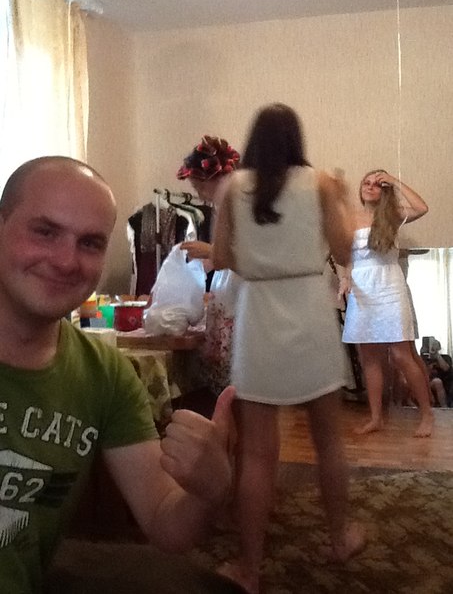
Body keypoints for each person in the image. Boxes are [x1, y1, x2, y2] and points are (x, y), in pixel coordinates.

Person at [0, 156, 244, 594]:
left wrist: (208, 491)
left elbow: (165, 522)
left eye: (90, 243)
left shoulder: (105, 375)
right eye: (45, 232)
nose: (66, 261)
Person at [211, 103, 365, 594]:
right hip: (310, 310)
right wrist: (342, 199)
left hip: (258, 315)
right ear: (296, 140)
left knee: (257, 454)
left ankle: (250, 569)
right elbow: (344, 251)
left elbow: (220, 257)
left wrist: (261, 263)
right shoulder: (319, 183)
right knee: (329, 442)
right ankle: (339, 539)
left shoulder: (232, 187)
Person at [340, 169, 433, 436]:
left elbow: (422, 208)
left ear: (384, 190)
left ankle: (426, 415)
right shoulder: (349, 218)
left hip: (389, 287)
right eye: (366, 183)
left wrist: (394, 180)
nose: (370, 187)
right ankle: (376, 418)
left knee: (402, 355)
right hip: (361, 291)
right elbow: (344, 255)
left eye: (377, 184)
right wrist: (344, 279)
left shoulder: (391, 215)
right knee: (369, 358)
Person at [178, 136, 241, 398]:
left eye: (199, 186)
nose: (199, 194)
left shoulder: (239, 206)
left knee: (236, 372)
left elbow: (250, 257)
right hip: (228, 287)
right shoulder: (225, 206)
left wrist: (210, 251)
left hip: (241, 291)